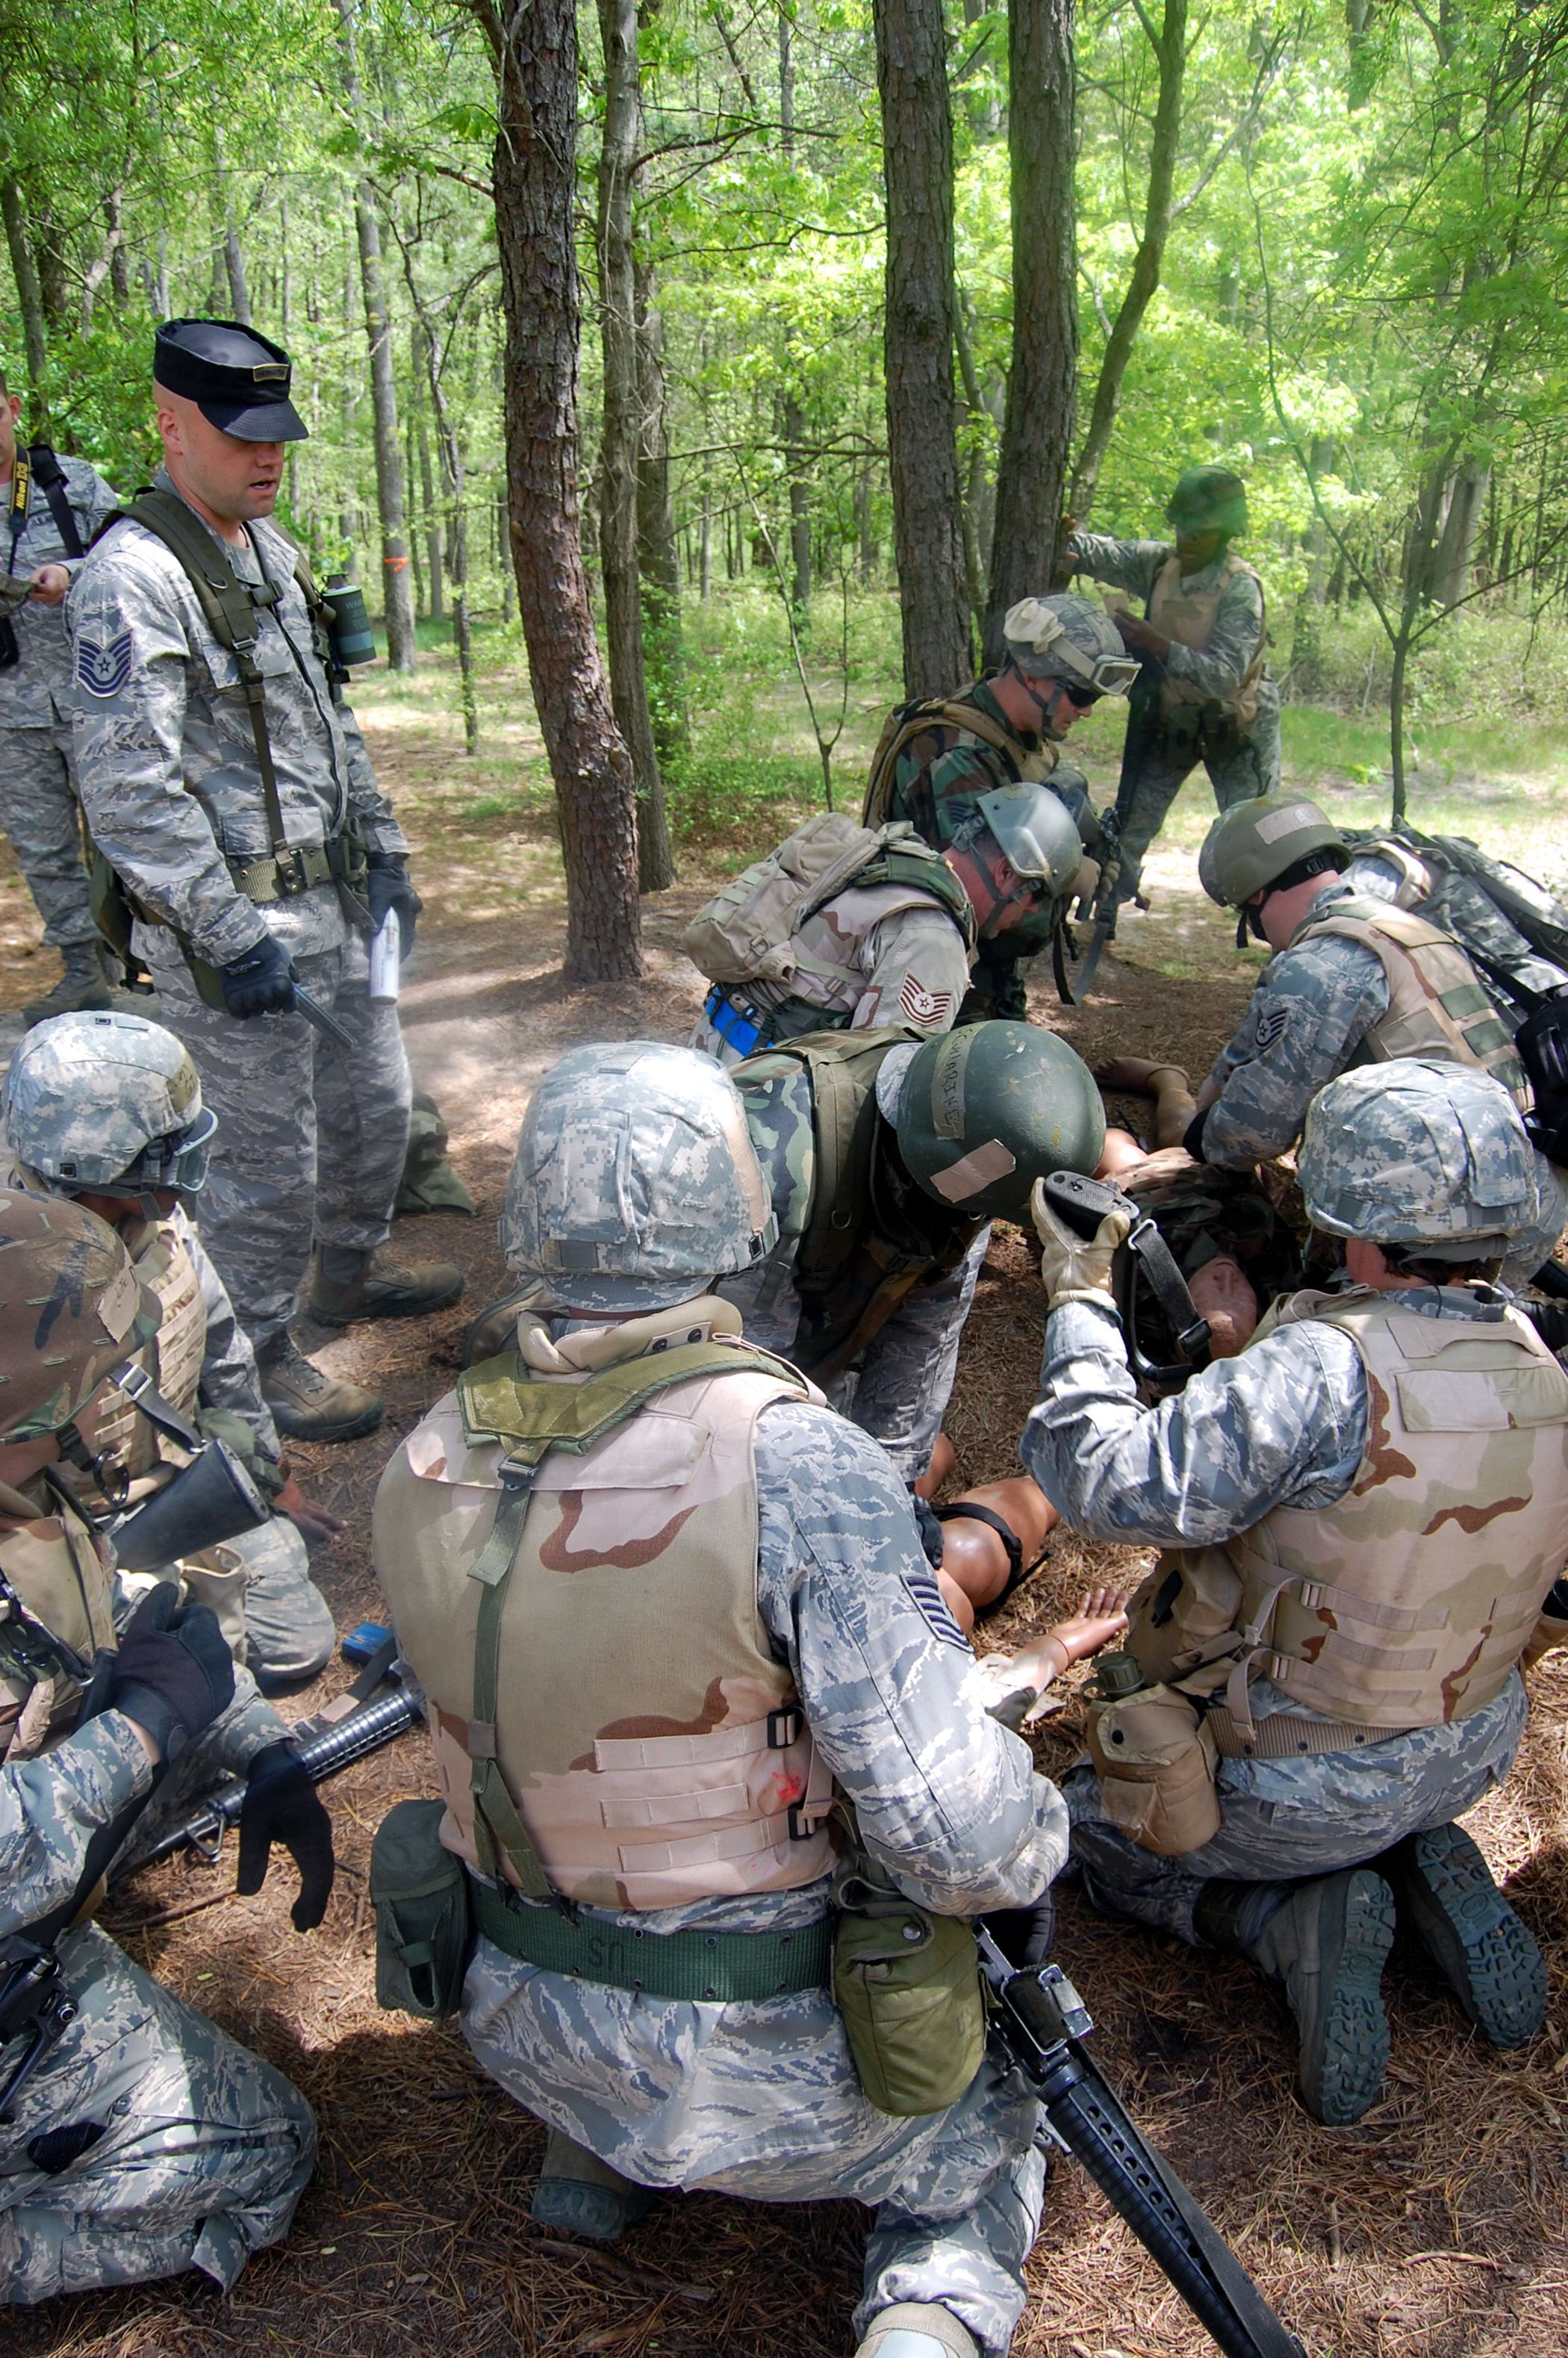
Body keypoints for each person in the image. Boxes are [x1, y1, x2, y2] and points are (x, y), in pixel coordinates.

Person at [373, 1040, 1070, 2358]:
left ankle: (594, 2151)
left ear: (529, 1213)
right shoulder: (790, 1455)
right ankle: (921, 2325)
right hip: (762, 2055)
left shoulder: (425, 1454)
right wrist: (1041, 1822)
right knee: (992, 2125)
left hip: (513, 2010)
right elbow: (958, 1836)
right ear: (741, 1210)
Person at [1021, 1058, 1568, 2127]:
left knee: (1080, 1829)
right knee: (1370, 1778)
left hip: (1289, 1790)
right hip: (1468, 1747)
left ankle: (1283, 1917)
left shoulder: (1320, 1367)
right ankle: (1413, 1855)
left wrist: (1077, 1298)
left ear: (1350, 1209)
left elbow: (1102, 1481)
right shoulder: (1539, 1358)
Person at [66, 317, 461, 1445]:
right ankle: (259, 1362)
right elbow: (130, 786)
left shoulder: (272, 552)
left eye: (277, 435)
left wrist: (383, 854)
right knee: (260, 1167)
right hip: (234, 934)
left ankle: (344, 1274)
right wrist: (226, 933)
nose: (267, 456)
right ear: (171, 424)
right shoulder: (132, 577)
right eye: (241, 437)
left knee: (374, 1110)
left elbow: (331, 727)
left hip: (333, 908)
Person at [0, 1192, 329, 2303]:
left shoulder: (26, 1476)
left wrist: (255, 1742)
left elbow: (119, 1636)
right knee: (260, 2160)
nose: (112, 1399)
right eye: (93, 1375)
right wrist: (144, 1730)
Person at [2, 1009, 338, 1687]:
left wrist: (268, 1472)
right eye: (167, 1150)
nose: (183, 1169)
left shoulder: (162, 1223)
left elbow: (223, 1353)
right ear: (101, 1165)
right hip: (61, 1538)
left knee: (298, 1648)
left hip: (179, 1489)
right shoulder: (13, 1274)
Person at [1189, 792, 1565, 1288]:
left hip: (1452, 1228)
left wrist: (1198, 1138)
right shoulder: (1403, 929)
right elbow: (1245, 1052)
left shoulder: (1322, 964)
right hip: (1518, 1186)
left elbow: (1251, 1134)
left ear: (1255, 896)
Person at [863, 593, 1139, 1019]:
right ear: (1034, 676)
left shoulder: (1014, 743)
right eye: (1081, 695)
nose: (1086, 711)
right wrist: (1068, 880)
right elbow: (986, 912)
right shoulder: (955, 758)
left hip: (983, 982)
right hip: (932, 991)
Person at [687, 782, 1085, 1066]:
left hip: (710, 1052)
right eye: (1038, 897)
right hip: (755, 1099)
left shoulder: (888, 860)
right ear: (1006, 875)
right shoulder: (934, 936)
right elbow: (882, 1081)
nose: (1030, 914)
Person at [1061, 467, 1281, 918]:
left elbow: (1224, 674)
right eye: (1182, 525)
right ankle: (1104, 914)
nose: (1188, 537)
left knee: (1260, 838)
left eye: (1200, 529)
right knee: (1129, 827)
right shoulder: (1161, 565)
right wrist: (1066, 537)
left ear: (1223, 533)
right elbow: (1104, 554)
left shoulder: (1241, 588)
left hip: (1236, 731)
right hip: (1172, 722)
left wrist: (1158, 644)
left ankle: (1279, 926)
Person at [0, 367, 122, 1022]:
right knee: (43, 849)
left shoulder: (66, 483)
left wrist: (71, 573)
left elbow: (135, 554)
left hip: (95, 696)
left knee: (126, 833)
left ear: (12, 408)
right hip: (9, 714)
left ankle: (151, 962)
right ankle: (84, 972)